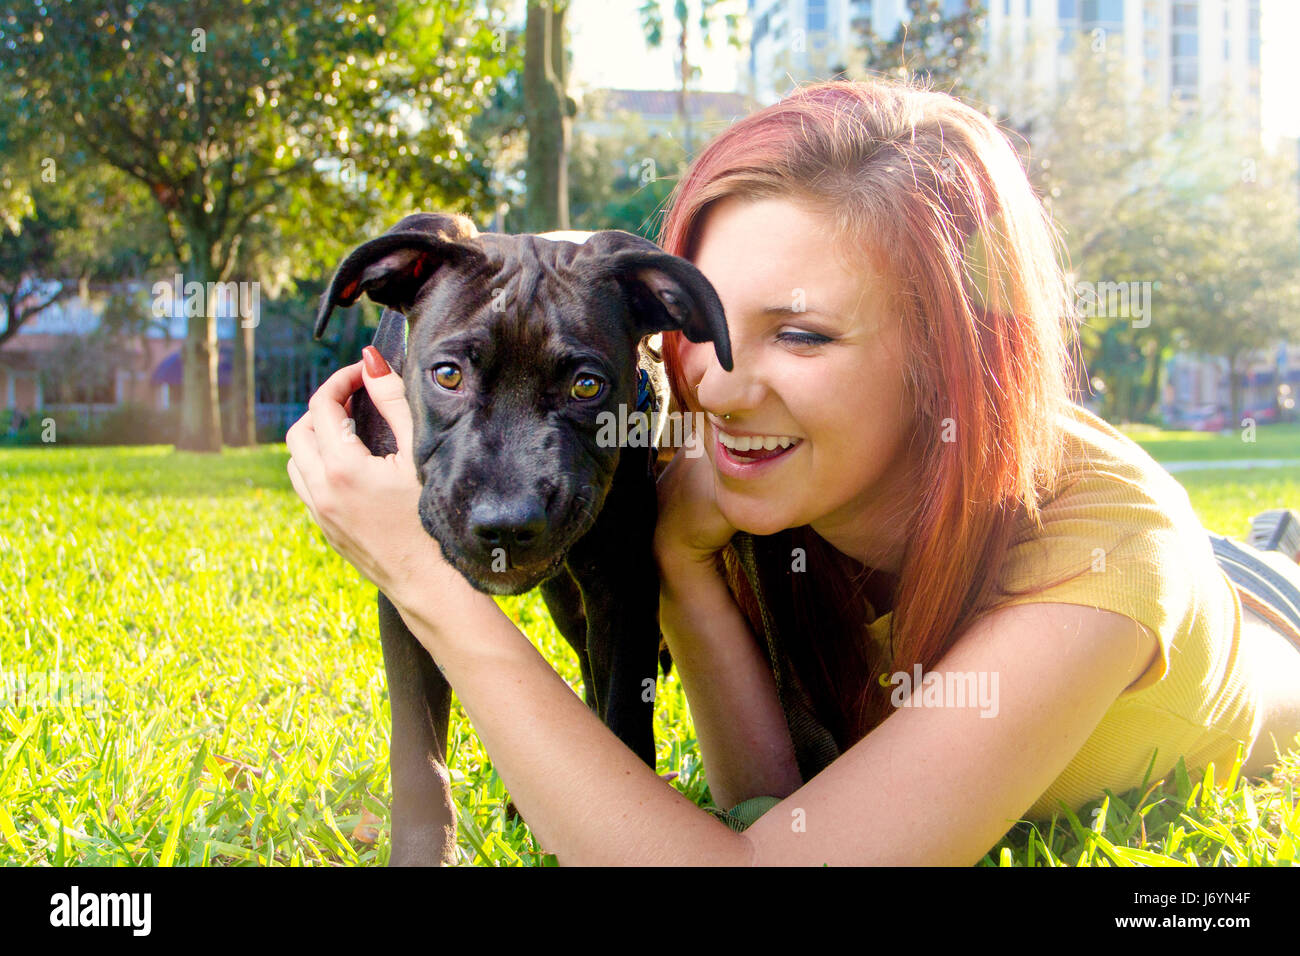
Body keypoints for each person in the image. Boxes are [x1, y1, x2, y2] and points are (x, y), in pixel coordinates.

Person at [286, 78, 1300, 866]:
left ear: (943, 360)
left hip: (1258, 617)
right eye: (708, 323)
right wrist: (682, 564)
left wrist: (422, 576)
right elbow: (770, 809)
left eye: (803, 334)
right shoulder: (730, 470)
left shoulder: (1106, 565)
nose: (722, 389)